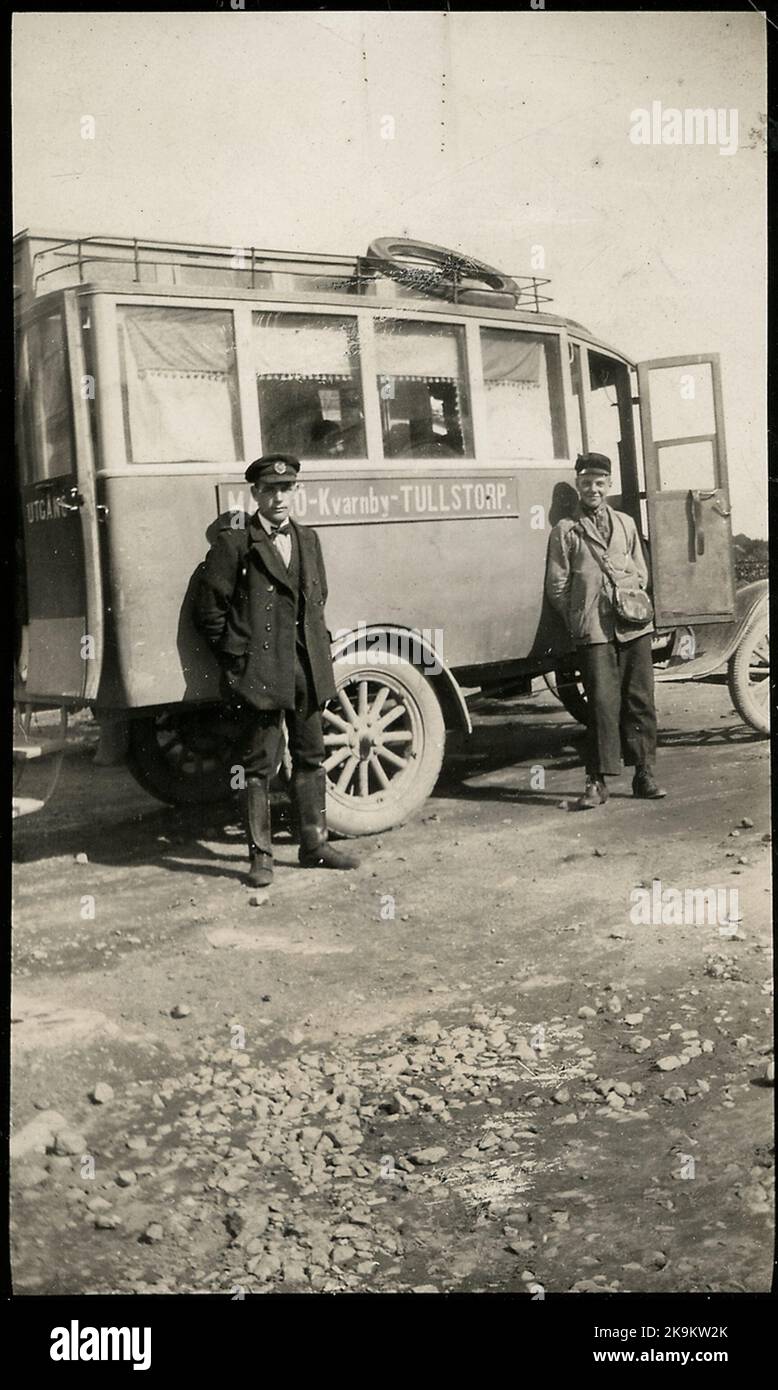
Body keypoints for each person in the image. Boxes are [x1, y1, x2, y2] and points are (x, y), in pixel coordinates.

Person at [194, 453, 358, 885]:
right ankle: (261, 857)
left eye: (286, 489)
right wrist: (238, 661)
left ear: (296, 491)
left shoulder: (308, 539)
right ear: (255, 494)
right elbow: (209, 611)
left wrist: (318, 653)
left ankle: (314, 845)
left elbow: (317, 600)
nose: (279, 498)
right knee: (259, 765)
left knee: (311, 756)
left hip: (306, 667)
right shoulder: (235, 544)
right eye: (270, 490)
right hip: (261, 673)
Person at [545, 452, 666, 810]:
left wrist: (627, 597)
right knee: (600, 704)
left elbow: (641, 571)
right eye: (586, 483)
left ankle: (644, 775)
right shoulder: (565, 530)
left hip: (633, 627)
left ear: (609, 485)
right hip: (594, 631)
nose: (593, 489)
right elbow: (557, 585)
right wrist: (579, 617)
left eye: (599, 483)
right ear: (578, 486)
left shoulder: (626, 523)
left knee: (640, 699)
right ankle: (597, 782)